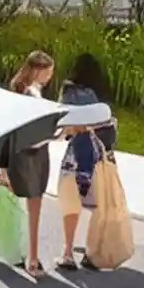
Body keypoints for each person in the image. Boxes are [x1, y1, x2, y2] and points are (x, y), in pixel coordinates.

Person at [54, 53, 116, 270]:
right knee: (99, 205)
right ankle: (92, 253)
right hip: (100, 156)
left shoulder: (69, 91)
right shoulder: (101, 93)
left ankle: (68, 253)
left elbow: (63, 124)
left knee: (71, 203)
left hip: (77, 155)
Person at [0, 50, 55, 278]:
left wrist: (2, 166)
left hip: (19, 154)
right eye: (48, 72)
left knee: (18, 204)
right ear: (38, 70)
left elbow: (8, 131)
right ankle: (32, 258)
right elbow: (36, 133)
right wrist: (58, 134)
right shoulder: (32, 95)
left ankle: (22, 253)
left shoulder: (19, 90)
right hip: (33, 156)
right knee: (34, 208)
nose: (50, 77)